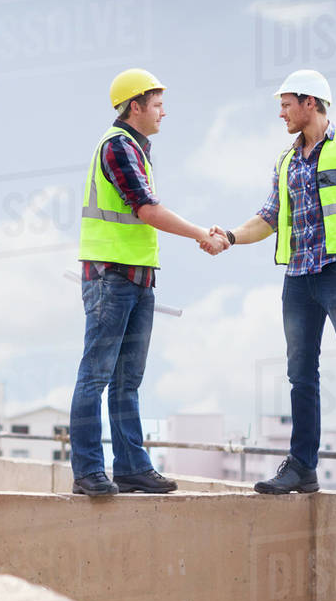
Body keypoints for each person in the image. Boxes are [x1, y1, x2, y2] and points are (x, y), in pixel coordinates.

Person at [205, 69, 336, 501]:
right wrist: (231, 237)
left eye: (286, 104)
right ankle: (301, 467)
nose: (281, 113)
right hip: (298, 278)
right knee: (300, 376)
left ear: (309, 102)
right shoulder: (286, 160)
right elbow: (269, 217)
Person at [70, 68, 228, 497]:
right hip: (111, 278)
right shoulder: (118, 147)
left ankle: (132, 468)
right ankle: (88, 470)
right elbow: (145, 209)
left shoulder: (137, 149)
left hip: (136, 278)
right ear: (135, 106)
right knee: (96, 377)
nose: (164, 111)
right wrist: (201, 234)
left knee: (127, 381)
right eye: (157, 104)